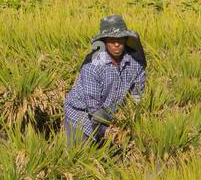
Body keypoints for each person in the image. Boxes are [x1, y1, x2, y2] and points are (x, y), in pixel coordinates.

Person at [63, 15, 146, 143]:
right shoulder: (92, 66)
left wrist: (132, 123)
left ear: (125, 39)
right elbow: (94, 110)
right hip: (80, 115)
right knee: (78, 157)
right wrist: (112, 133)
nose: (117, 44)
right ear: (104, 41)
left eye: (120, 39)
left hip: (110, 112)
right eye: (112, 40)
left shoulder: (135, 64)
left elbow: (137, 97)